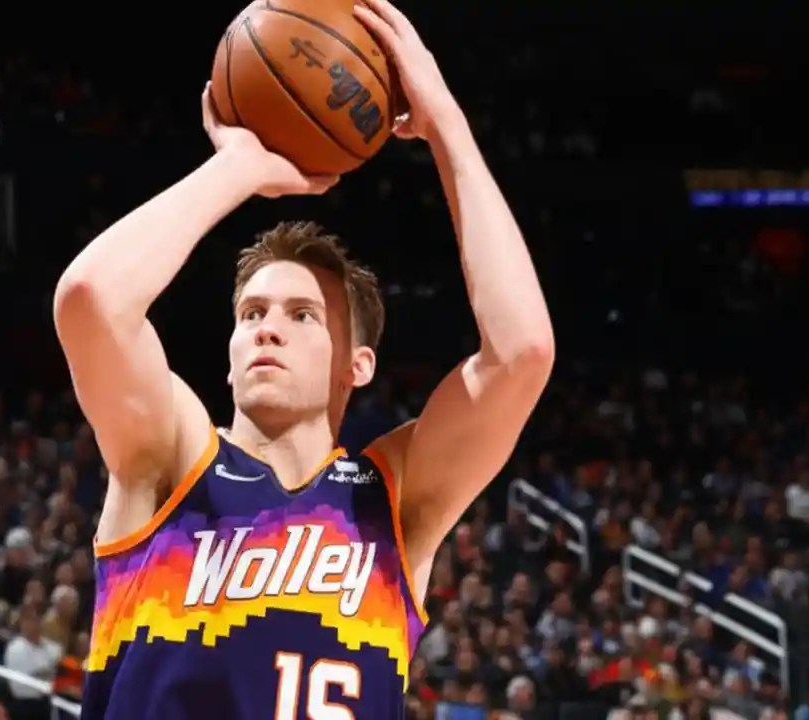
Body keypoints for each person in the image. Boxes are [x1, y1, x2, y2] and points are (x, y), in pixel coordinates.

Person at [52, 1, 554, 717]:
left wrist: (447, 127)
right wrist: (238, 169)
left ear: (358, 364)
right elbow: (90, 298)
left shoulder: (392, 500)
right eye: (251, 314)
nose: (267, 329)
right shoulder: (170, 461)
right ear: (226, 357)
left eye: (301, 315)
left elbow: (523, 352)